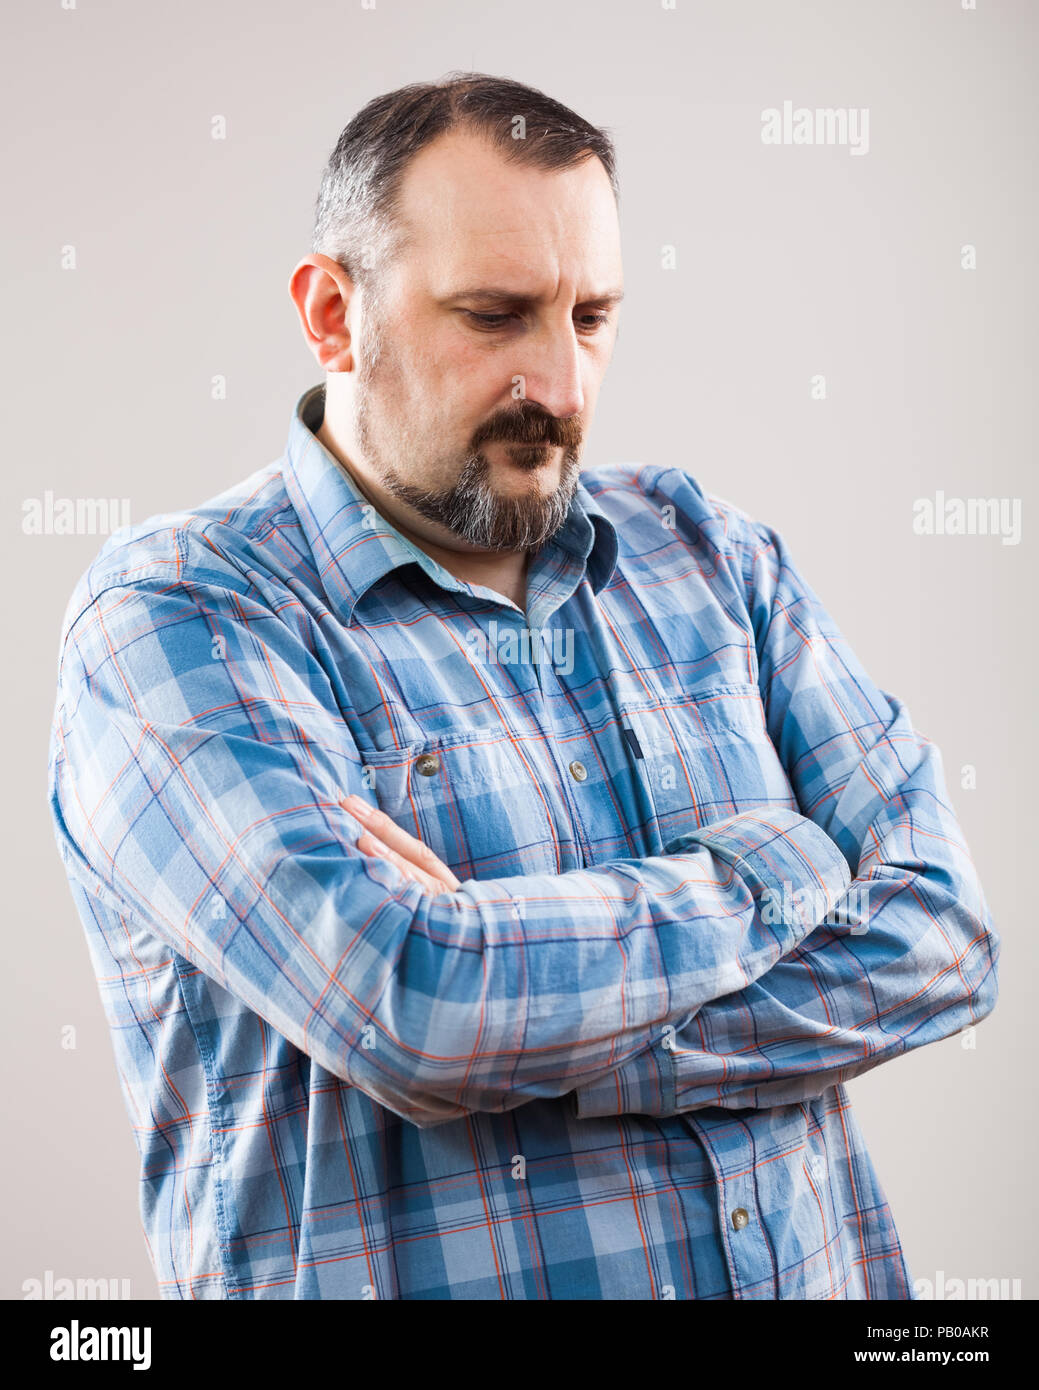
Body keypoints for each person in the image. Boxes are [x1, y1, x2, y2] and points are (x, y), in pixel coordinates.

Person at [47, 72, 999, 1300]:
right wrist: (782, 866)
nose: (558, 384)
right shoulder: (178, 617)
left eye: (591, 317)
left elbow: (943, 937)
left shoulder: (710, 552)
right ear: (333, 313)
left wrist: (532, 1029)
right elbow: (422, 1005)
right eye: (494, 316)